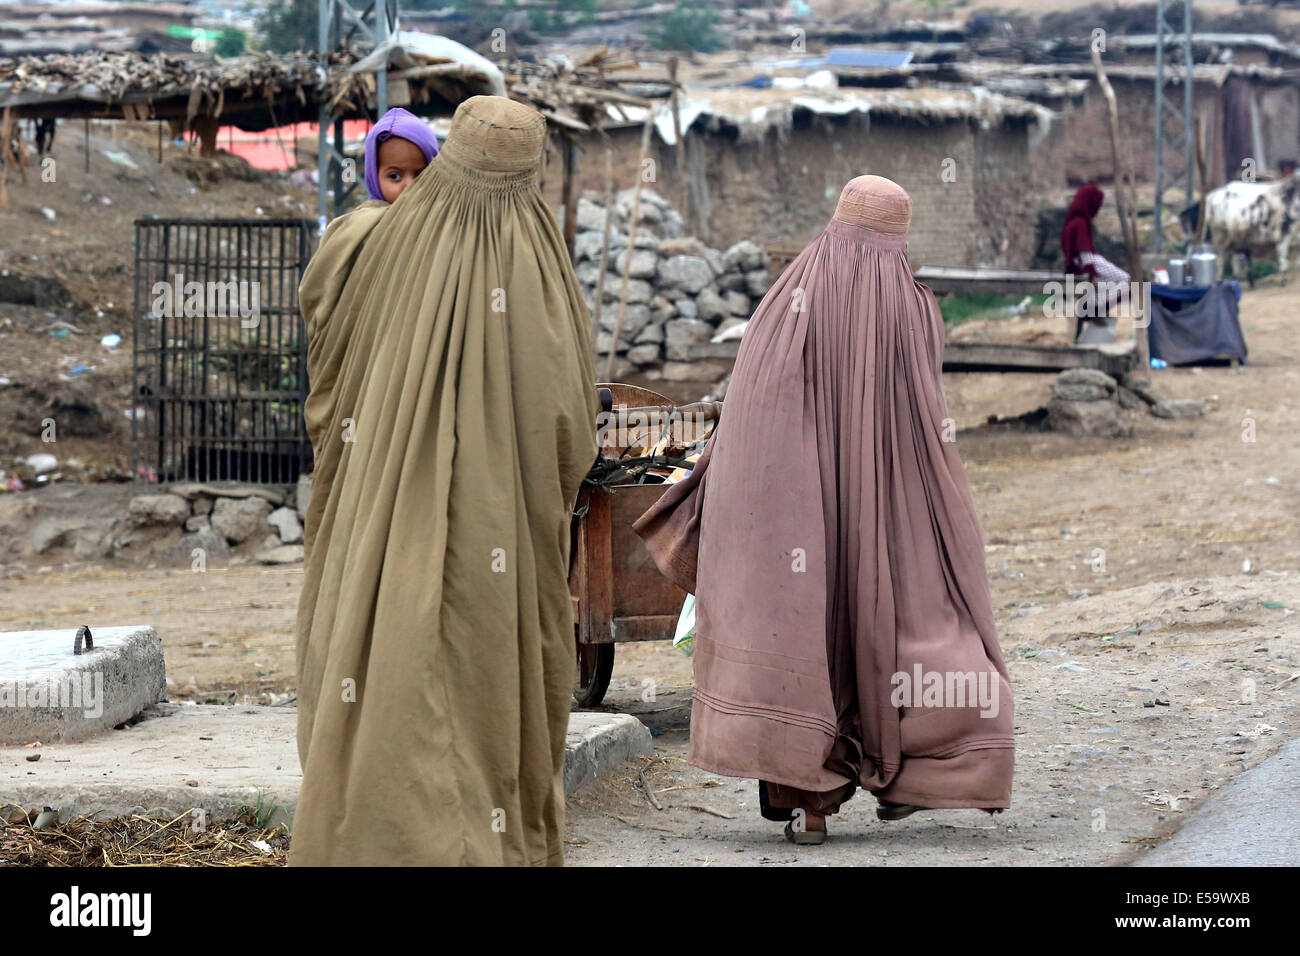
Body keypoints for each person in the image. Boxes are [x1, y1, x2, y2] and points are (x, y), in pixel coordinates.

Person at [635, 175, 1014, 844]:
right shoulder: (912, 303)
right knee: (910, 615)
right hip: (886, 507)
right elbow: (924, 427)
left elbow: (754, 417)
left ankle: (808, 800)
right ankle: (913, 771)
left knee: (798, 624)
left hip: (792, 511)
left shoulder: (789, 298)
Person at [292, 95, 598, 866]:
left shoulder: (365, 243)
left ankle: (376, 838)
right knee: (485, 678)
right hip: (504, 540)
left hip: (382, 521)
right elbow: (568, 430)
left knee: (388, 666)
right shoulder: (543, 271)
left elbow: (328, 379)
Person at [1061, 183, 1130, 340]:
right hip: (1086, 264)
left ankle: (1091, 309)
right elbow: (1084, 254)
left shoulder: (1073, 221)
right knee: (1124, 281)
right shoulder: (1080, 223)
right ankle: (1091, 310)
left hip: (1082, 265)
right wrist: (1091, 274)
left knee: (1113, 284)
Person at [364, 106, 440, 203]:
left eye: (421, 176)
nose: (409, 187)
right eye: (395, 176)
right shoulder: (368, 217)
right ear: (374, 179)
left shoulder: (444, 214)